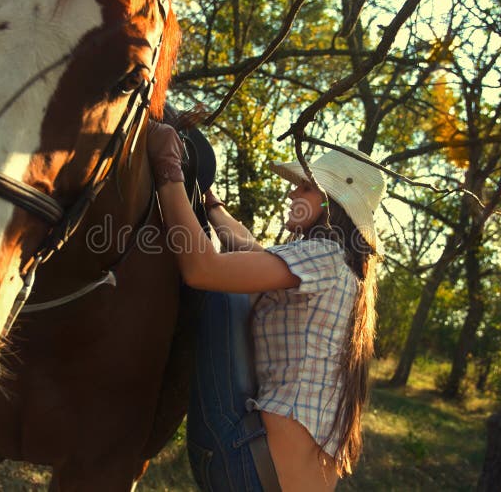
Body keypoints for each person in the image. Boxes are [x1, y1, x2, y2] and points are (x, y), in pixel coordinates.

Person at [146, 120, 386, 491]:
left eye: (304, 187)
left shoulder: (323, 256)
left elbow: (201, 269)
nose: (292, 194)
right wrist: (211, 204)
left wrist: (168, 171)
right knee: (239, 280)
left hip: (247, 465)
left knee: (224, 294)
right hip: (271, 479)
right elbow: (255, 255)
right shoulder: (342, 270)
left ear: (329, 203)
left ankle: (134, 415)